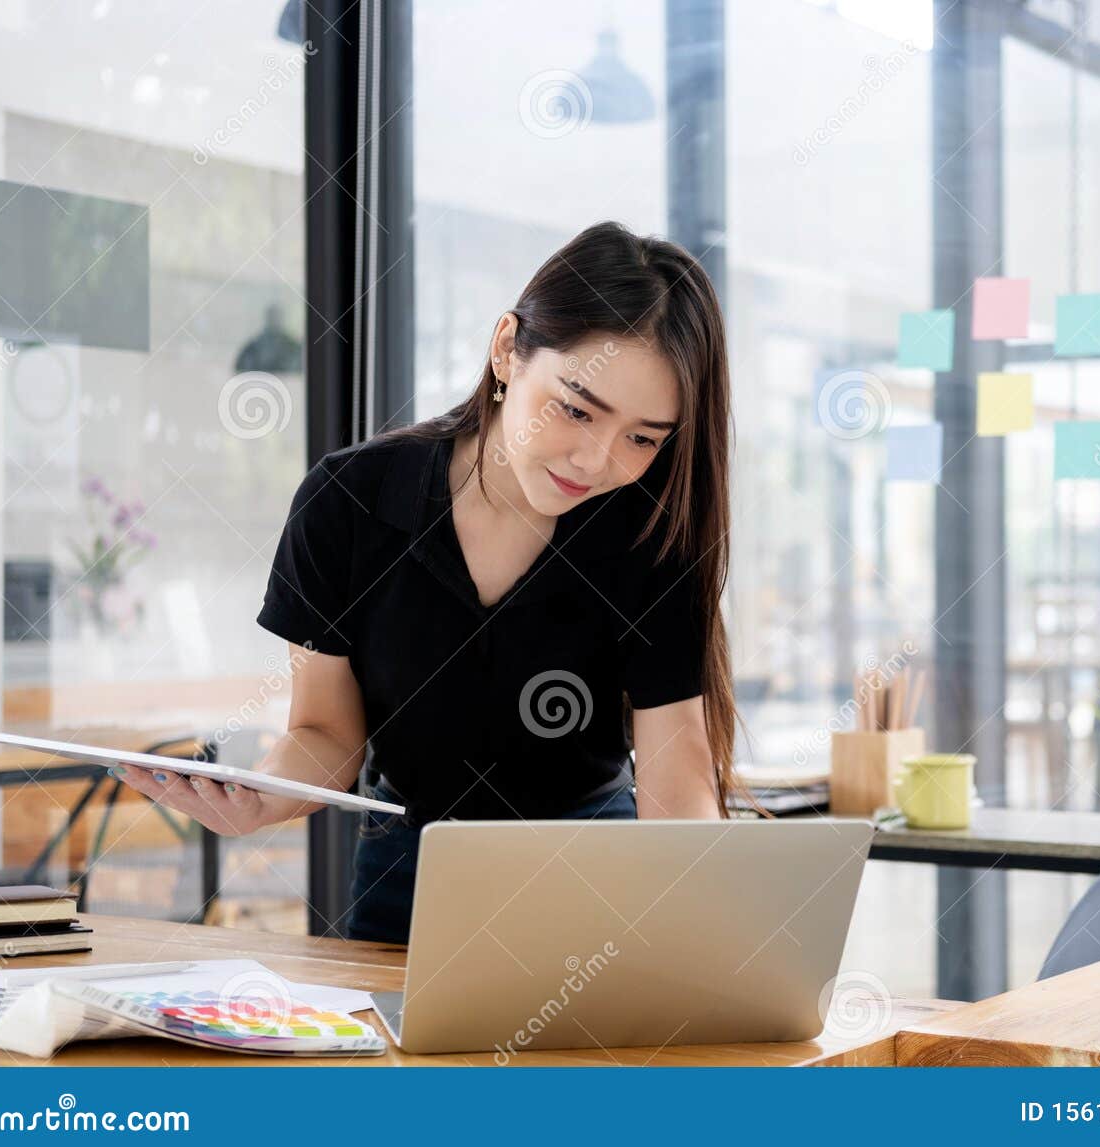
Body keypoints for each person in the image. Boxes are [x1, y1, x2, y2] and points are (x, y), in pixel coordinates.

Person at [115, 221, 743, 943]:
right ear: (507, 349)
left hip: (591, 875)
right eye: (575, 408)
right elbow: (326, 732)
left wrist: (708, 936)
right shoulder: (350, 502)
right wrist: (265, 796)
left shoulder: (647, 533)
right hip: (409, 877)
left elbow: (678, 775)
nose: (596, 460)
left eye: (642, 437)